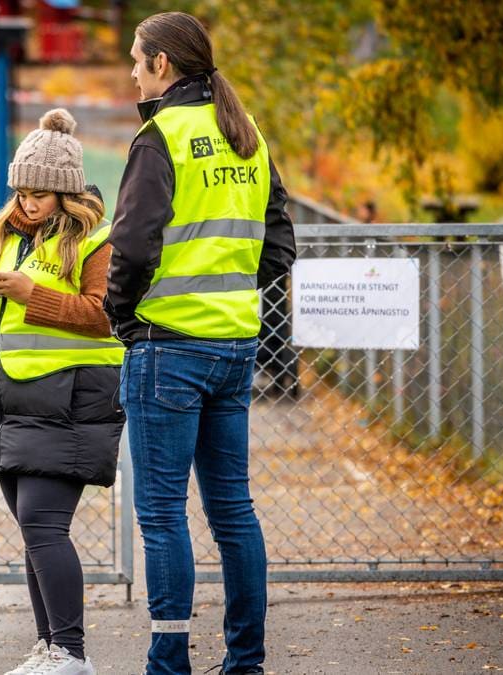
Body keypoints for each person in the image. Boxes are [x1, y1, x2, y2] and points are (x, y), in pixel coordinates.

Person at [104, 12, 297, 675]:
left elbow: (129, 246)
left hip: (167, 346)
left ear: (162, 63)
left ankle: (169, 663)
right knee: (233, 512)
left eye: (137, 59)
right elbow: (280, 245)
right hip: (234, 344)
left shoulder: (162, 136)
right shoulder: (247, 137)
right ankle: (246, 663)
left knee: (161, 515)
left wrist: (124, 317)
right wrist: (230, 288)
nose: (132, 70)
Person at [0, 109, 125, 675]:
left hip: (68, 404)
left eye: (39, 193)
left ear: (64, 193)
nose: (27, 202)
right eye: (21, 191)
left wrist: (31, 293)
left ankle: (71, 653)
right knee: (34, 532)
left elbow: (105, 316)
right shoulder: (10, 236)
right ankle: (49, 646)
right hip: (9, 404)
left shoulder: (95, 239)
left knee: (43, 526)